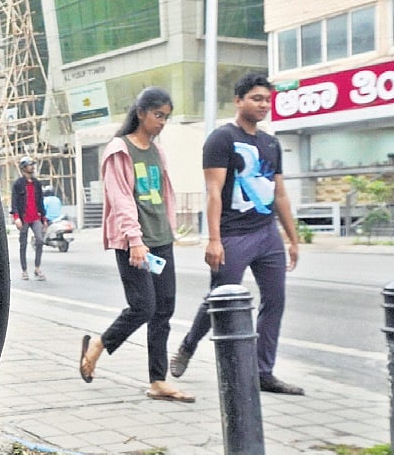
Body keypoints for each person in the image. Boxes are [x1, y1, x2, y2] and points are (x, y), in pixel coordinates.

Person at [169, 72, 304, 395]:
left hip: (267, 233)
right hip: (233, 235)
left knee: (275, 300)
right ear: (238, 101)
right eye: (256, 99)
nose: (263, 105)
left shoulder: (270, 143)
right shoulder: (222, 139)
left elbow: (280, 194)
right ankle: (188, 345)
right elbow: (213, 192)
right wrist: (213, 239)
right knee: (221, 299)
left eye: (267, 100)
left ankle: (262, 371)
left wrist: (292, 239)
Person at [78, 87, 193, 402]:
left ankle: (158, 381)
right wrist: (135, 240)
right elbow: (121, 199)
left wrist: (169, 231)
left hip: (160, 240)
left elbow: (162, 196)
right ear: (141, 113)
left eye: (166, 117)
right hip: (135, 243)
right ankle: (99, 344)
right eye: (158, 115)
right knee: (144, 305)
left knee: (164, 308)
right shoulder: (119, 150)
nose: (162, 123)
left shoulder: (157, 151)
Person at [10, 157, 47, 280]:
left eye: (32, 165)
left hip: (35, 217)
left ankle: (37, 268)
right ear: (23, 168)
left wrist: (44, 219)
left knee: (40, 240)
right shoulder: (18, 184)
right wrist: (16, 218)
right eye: (29, 165)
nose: (32, 167)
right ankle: (24, 270)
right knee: (23, 244)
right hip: (23, 217)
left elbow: (40, 202)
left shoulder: (37, 184)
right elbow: (14, 202)